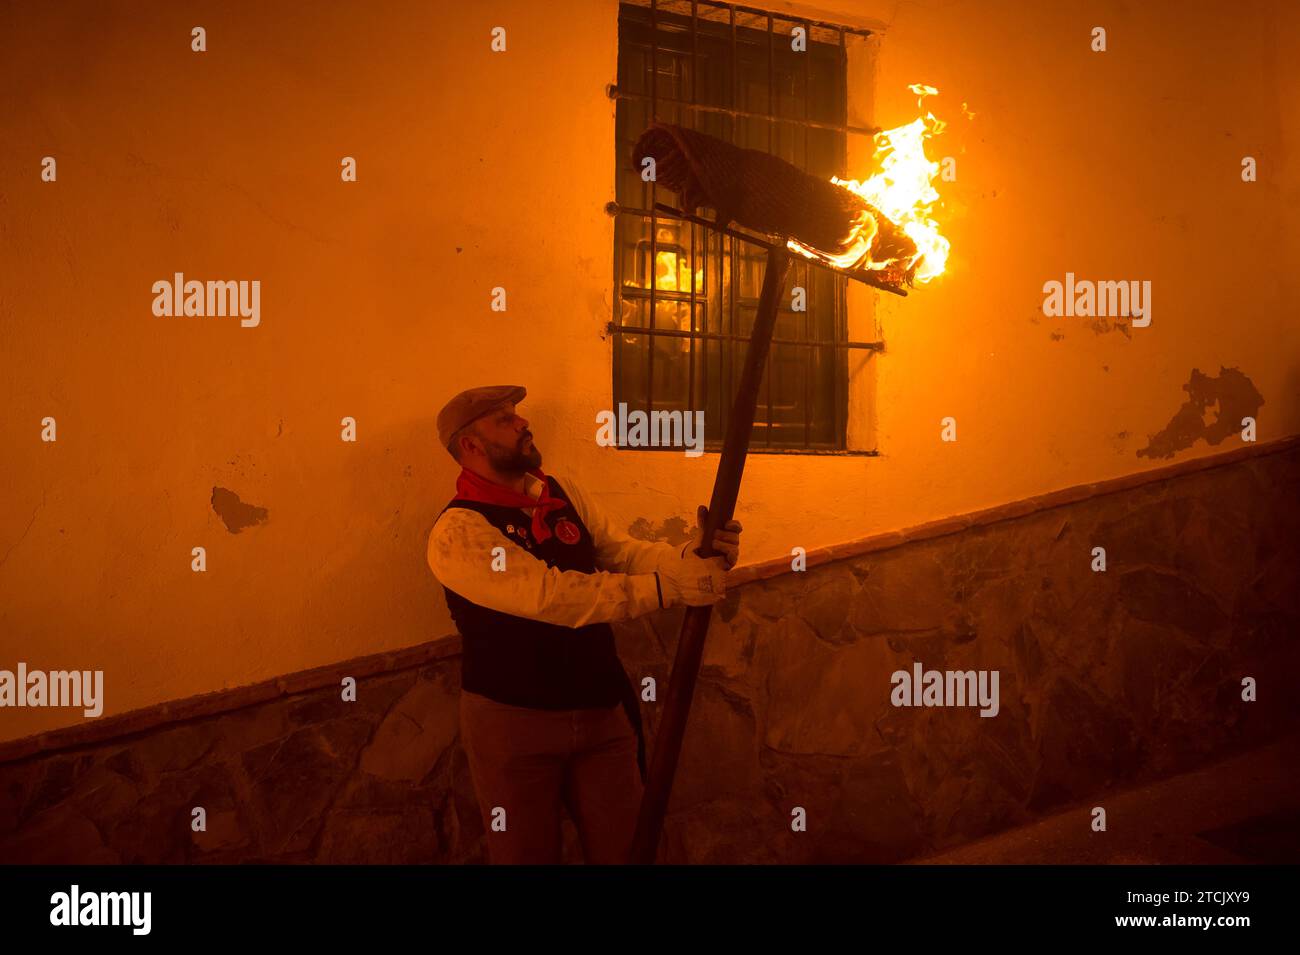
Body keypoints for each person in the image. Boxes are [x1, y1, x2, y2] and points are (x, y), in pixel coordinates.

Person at [426, 384, 742, 864]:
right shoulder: (457, 534)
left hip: (599, 710)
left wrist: (690, 558)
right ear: (470, 446)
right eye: (504, 420)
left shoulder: (562, 493)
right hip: (514, 725)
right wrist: (668, 588)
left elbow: (623, 551)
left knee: (629, 849)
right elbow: (553, 597)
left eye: (517, 414)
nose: (522, 423)